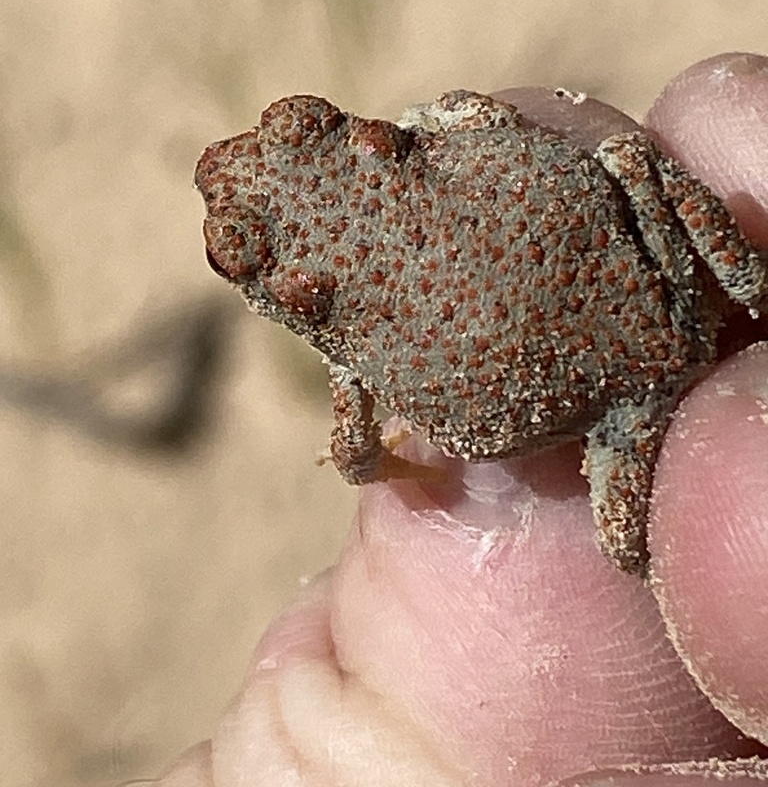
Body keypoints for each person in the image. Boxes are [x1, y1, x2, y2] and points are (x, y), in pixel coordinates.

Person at [158, 54, 768, 787]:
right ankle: (751, 291)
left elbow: (356, 456)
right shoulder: (441, 132)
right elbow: (488, 115)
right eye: (235, 249)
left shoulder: (349, 361)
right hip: (652, 250)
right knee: (629, 156)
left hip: (629, 406)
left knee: (624, 543)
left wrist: (385, 460)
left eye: (300, 119)